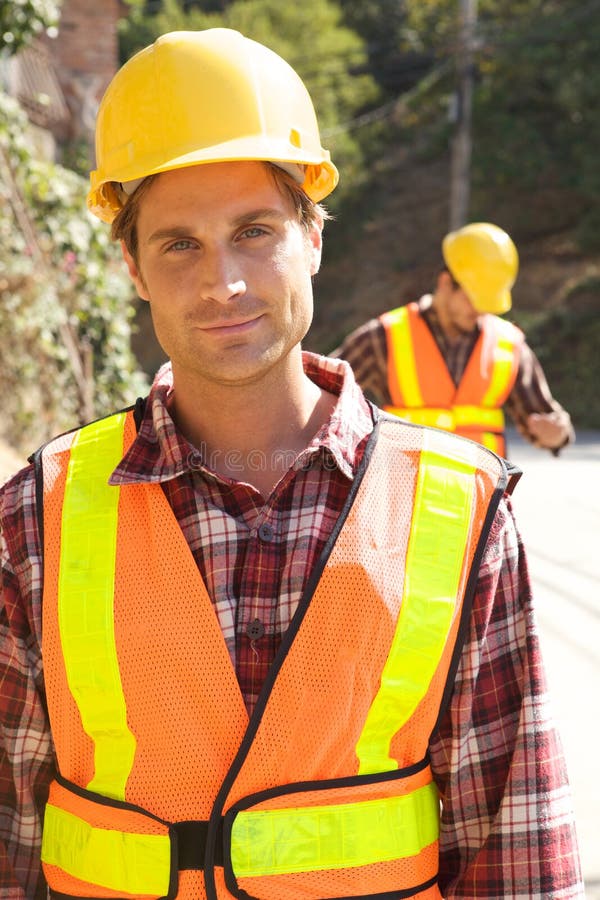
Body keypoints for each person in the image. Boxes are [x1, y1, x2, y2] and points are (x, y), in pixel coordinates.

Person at [0, 28, 583, 900]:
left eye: (254, 231)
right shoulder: (35, 518)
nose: (224, 282)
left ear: (314, 235)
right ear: (131, 266)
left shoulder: (462, 516)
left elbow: (515, 850)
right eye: (179, 244)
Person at [333, 222, 574, 457]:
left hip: (479, 496)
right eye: (474, 299)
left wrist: (556, 434)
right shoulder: (385, 336)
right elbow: (322, 392)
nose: (481, 310)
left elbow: (549, 423)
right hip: (400, 492)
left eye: (487, 302)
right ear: (446, 283)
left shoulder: (508, 345)